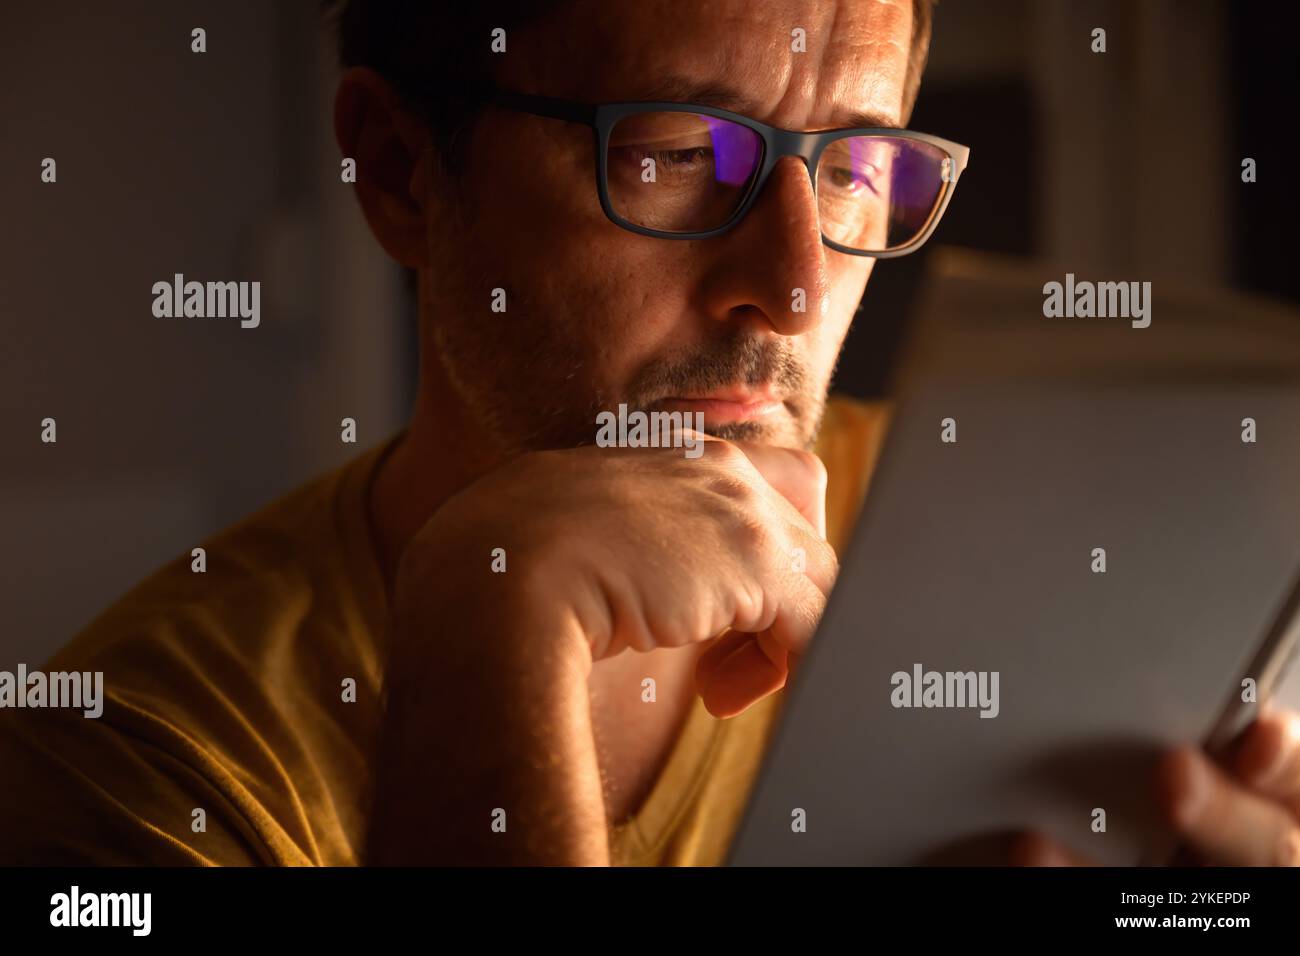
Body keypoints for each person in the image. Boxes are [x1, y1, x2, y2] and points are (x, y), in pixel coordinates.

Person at [2, 0, 1297, 867]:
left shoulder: (1023, 548)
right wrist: (485, 648)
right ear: (402, 171)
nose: (793, 286)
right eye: (681, 151)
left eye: (852, 169)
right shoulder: (132, 772)